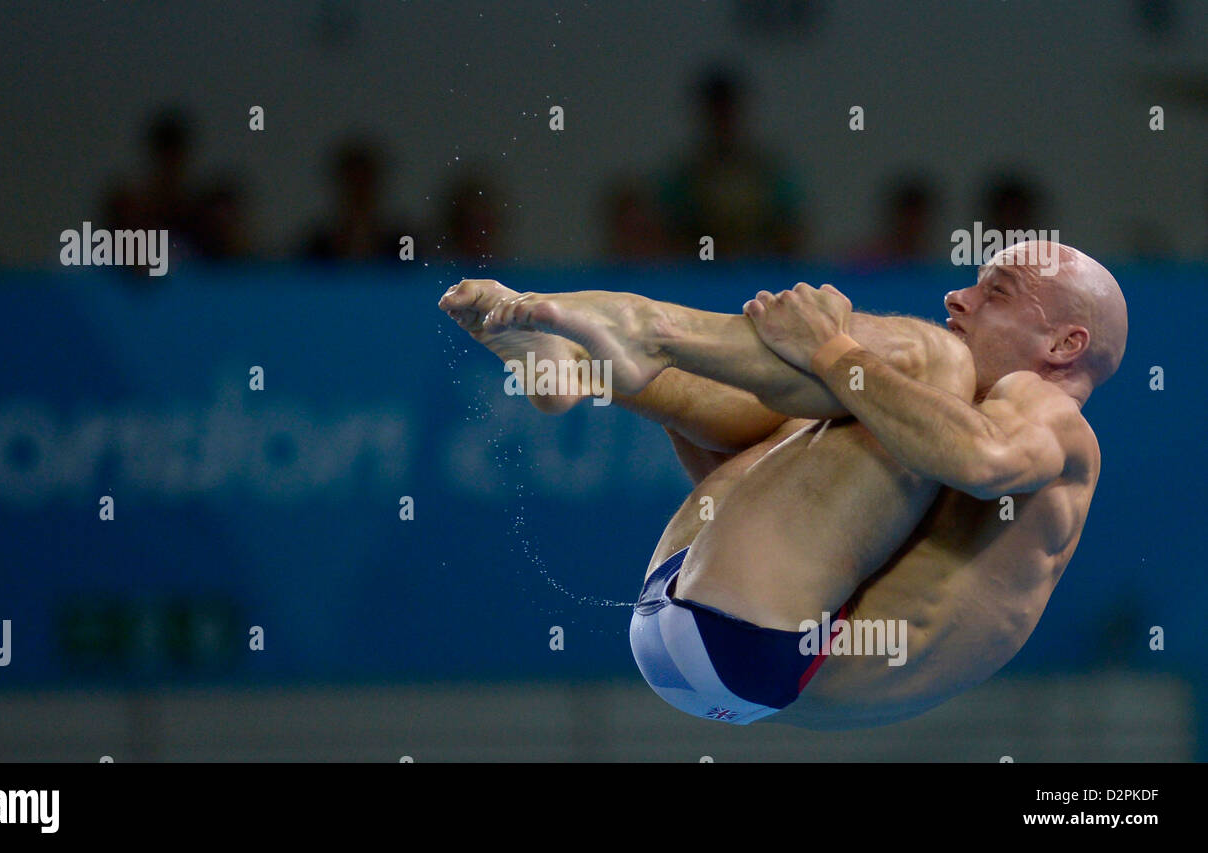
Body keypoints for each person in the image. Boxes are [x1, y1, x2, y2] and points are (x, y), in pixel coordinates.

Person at [438, 241, 1127, 727]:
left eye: (995, 291)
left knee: (924, 359)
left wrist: (830, 348)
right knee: (844, 405)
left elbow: (984, 462)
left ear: (1064, 345)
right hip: (722, 634)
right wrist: (829, 370)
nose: (957, 293)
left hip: (762, 639)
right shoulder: (930, 441)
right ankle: (592, 372)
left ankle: (646, 332)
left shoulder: (1059, 426)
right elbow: (753, 481)